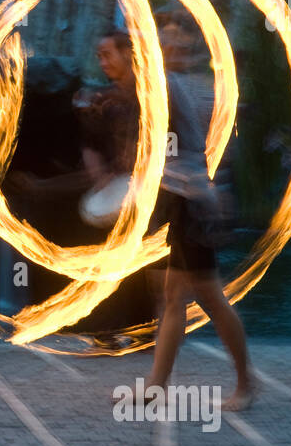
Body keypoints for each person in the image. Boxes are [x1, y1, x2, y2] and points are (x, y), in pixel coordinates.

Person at [87, 28, 255, 411]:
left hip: (190, 200)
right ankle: (157, 386)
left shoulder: (159, 85)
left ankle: (246, 384)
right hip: (169, 197)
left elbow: (163, 143)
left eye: (108, 53)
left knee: (207, 297)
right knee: (171, 296)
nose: (103, 61)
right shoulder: (138, 88)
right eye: (99, 55)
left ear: (133, 53)